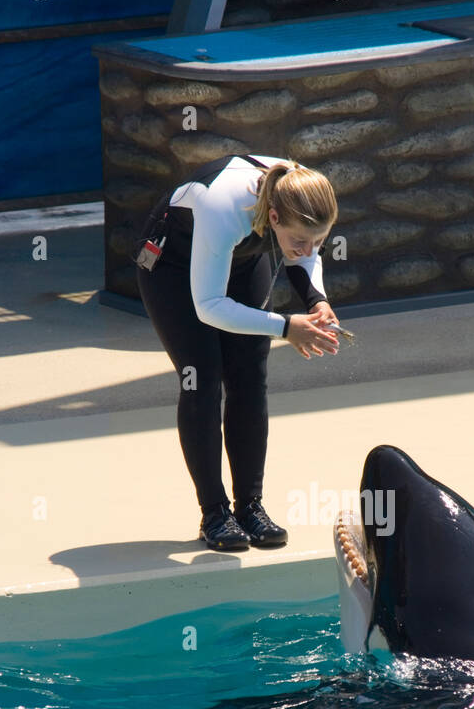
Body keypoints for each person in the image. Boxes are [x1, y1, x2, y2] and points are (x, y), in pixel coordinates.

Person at [134, 152, 341, 551]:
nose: (308, 249)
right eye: (300, 240)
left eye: (320, 240)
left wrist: (315, 300)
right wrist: (285, 326)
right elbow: (208, 306)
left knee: (249, 377)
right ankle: (214, 512)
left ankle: (250, 506)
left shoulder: (297, 193)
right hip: (172, 268)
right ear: (275, 218)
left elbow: (305, 253)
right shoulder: (223, 205)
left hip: (241, 260)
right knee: (203, 378)